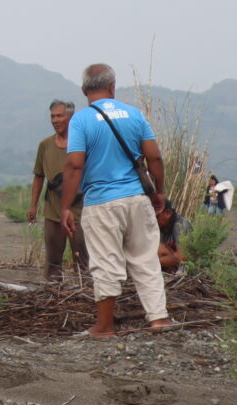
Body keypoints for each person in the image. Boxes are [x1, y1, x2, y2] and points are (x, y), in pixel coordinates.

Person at [61, 63, 174, 338]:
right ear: (112, 87)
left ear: (84, 89)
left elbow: (75, 165)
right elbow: (154, 158)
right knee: (146, 259)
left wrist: (65, 206)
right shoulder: (134, 115)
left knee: (105, 262)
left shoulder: (81, 120)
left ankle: (104, 326)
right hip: (136, 198)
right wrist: (158, 192)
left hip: (101, 201)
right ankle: (159, 318)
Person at [26, 100, 86, 279]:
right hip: (53, 210)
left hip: (79, 211)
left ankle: (85, 298)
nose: (55, 120)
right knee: (53, 263)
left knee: (83, 261)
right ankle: (53, 296)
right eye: (52, 116)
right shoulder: (45, 145)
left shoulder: (82, 143)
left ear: (70, 117)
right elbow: (39, 176)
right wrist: (33, 206)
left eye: (60, 116)